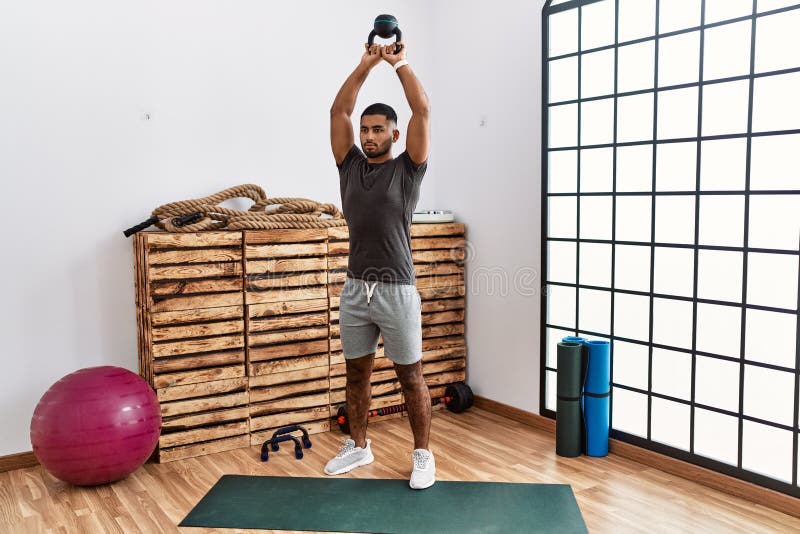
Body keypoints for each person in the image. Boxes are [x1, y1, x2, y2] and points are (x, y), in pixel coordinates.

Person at [324, 39, 434, 490]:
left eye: (377, 130)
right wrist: (366, 64)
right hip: (355, 289)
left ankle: (423, 456)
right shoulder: (349, 167)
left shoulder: (408, 170)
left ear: (393, 134)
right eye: (365, 129)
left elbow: (422, 111)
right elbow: (338, 113)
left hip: (397, 289)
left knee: (410, 375)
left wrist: (399, 63)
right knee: (356, 372)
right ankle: (359, 445)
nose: (368, 136)